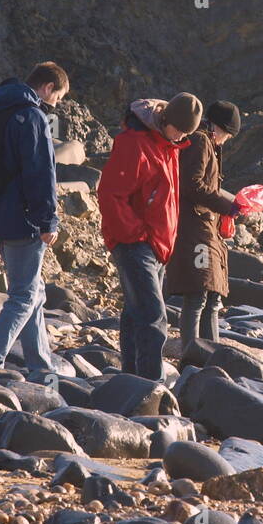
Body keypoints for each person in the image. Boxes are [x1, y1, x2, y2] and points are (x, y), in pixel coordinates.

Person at [98, 93, 203, 379]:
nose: (181, 136)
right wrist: (136, 234)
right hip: (136, 243)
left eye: (186, 133)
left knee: (135, 313)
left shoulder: (168, 144)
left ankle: (130, 381)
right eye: (179, 129)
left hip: (156, 245)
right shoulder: (135, 143)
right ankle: (150, 385)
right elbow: (110, 193)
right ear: (165, 119)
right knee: (154, 316)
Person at [0, 62, 69, 373]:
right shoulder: (32, 115)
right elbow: (41, 172)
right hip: (23, 221)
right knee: (23, 296)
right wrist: (48, 221)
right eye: (58, 96)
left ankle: (40, 366)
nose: (56, 104)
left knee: (34, 292)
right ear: (47, 88)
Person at [166, 101, 241, 355]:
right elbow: (192, 185)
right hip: (193, 229)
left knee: (212, 297)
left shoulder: (207, 143)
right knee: (198, 295)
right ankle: (193, 356)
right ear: (220, 128)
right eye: (228, 135)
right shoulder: (200, 142)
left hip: (204, 229)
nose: (226, 140)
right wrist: (226, 206)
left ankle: (209, 356)